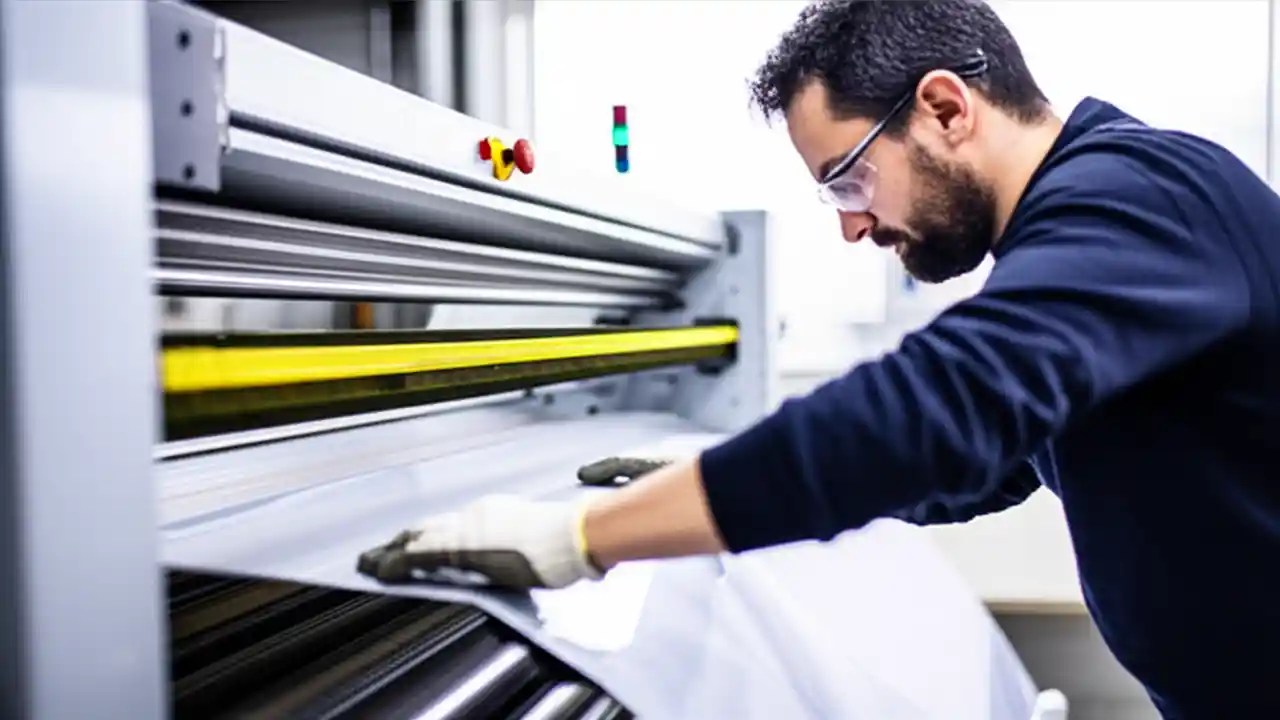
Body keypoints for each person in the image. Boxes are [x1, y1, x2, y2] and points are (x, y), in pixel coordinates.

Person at [365, 1, 1279, 717]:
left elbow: (943, 405)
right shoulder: (1093, 219)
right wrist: (706, 479)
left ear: (945, 107)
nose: (851, 225)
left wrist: (580, 540)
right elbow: (994, 459)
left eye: (848, 176)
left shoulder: (1141, 200)